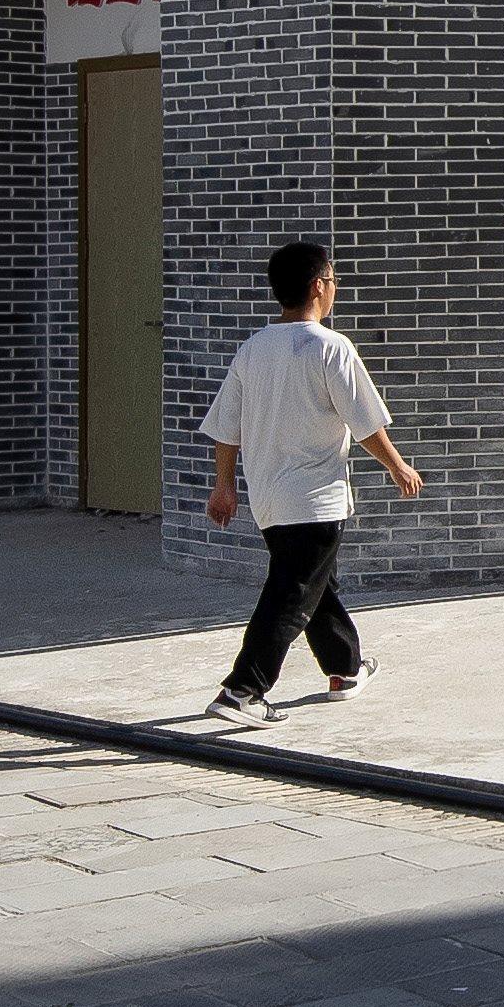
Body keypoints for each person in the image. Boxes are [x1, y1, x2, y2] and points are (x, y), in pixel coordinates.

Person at [196, 234, 420, 725]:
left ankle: (344, 669)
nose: (335, 288)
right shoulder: (331, 347)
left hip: (270, 498)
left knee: (314, 583)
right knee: (293, 592)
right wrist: (397, 465)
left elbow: (225, 426)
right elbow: (365, 422)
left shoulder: (253, 349)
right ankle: (242, 690)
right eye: (334, 280)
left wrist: (224, 485)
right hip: (316, 498)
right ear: (319, 286)